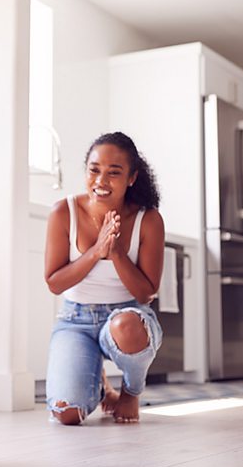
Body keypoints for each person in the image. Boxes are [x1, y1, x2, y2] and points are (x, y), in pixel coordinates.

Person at [43, 132, 165, 425]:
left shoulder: (148, 219)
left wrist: (118, 253)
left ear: (132, 178)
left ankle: (131, 392)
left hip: (127, 317)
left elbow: (147, 293)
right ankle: (100, 388)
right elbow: (54, 283)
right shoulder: (63, 212)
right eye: (94, 170)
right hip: (75, 320)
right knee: (66, 414)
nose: (101, 181)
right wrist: (96, 252)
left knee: (126, 325)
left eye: (114, 173)